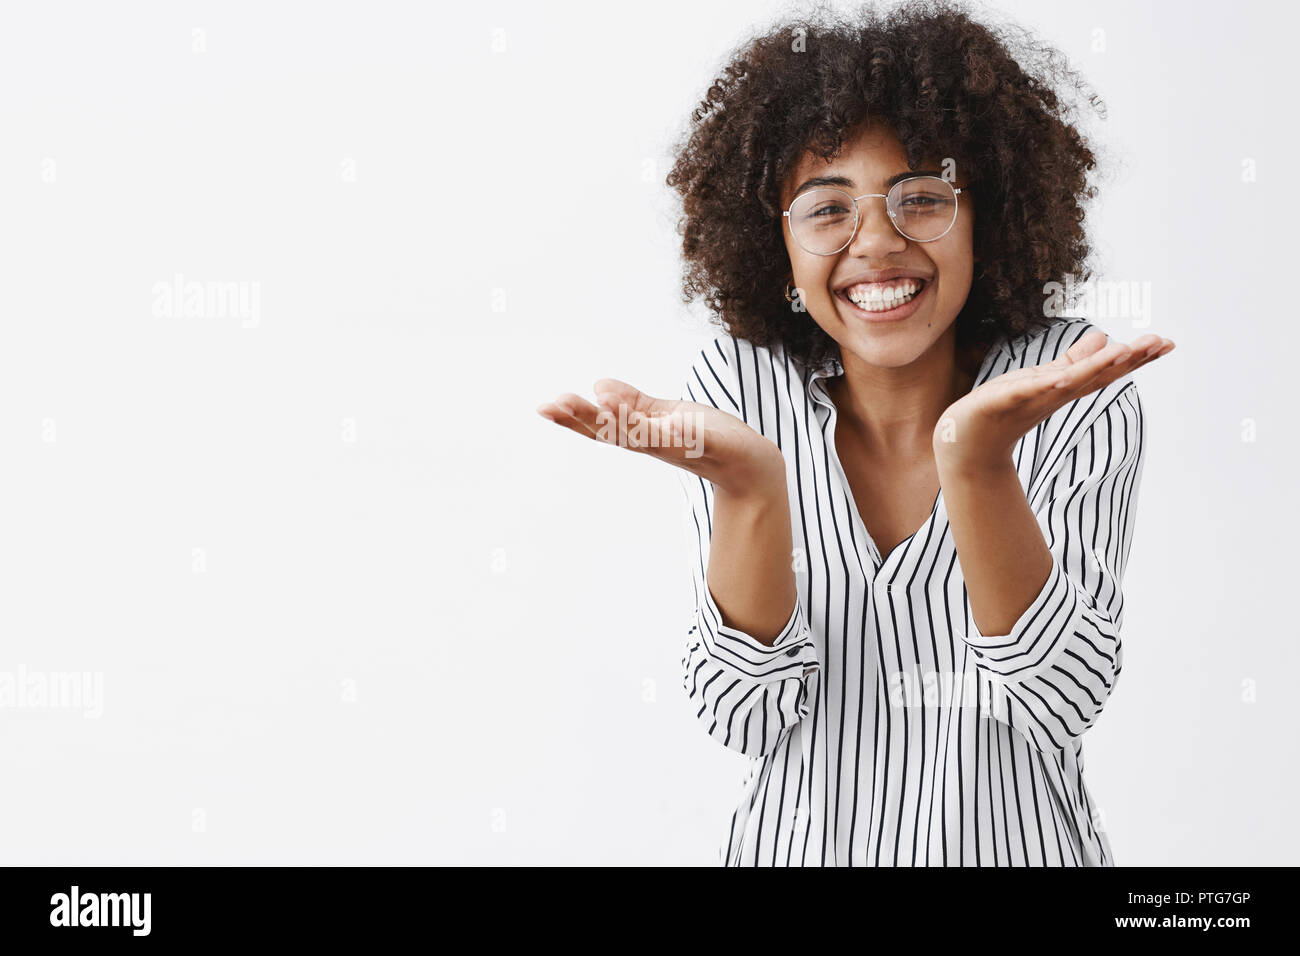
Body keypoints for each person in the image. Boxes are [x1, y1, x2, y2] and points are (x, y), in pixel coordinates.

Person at [536, 0, 1174, 866]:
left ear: (989, 212)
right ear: (778, 242)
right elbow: (743, 714)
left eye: (922, 198)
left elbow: (1058, 700)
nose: (876, 243)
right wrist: (752, 488)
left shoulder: (1070, 384)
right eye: (828, 209)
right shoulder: (743, 387)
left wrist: (977, 461)